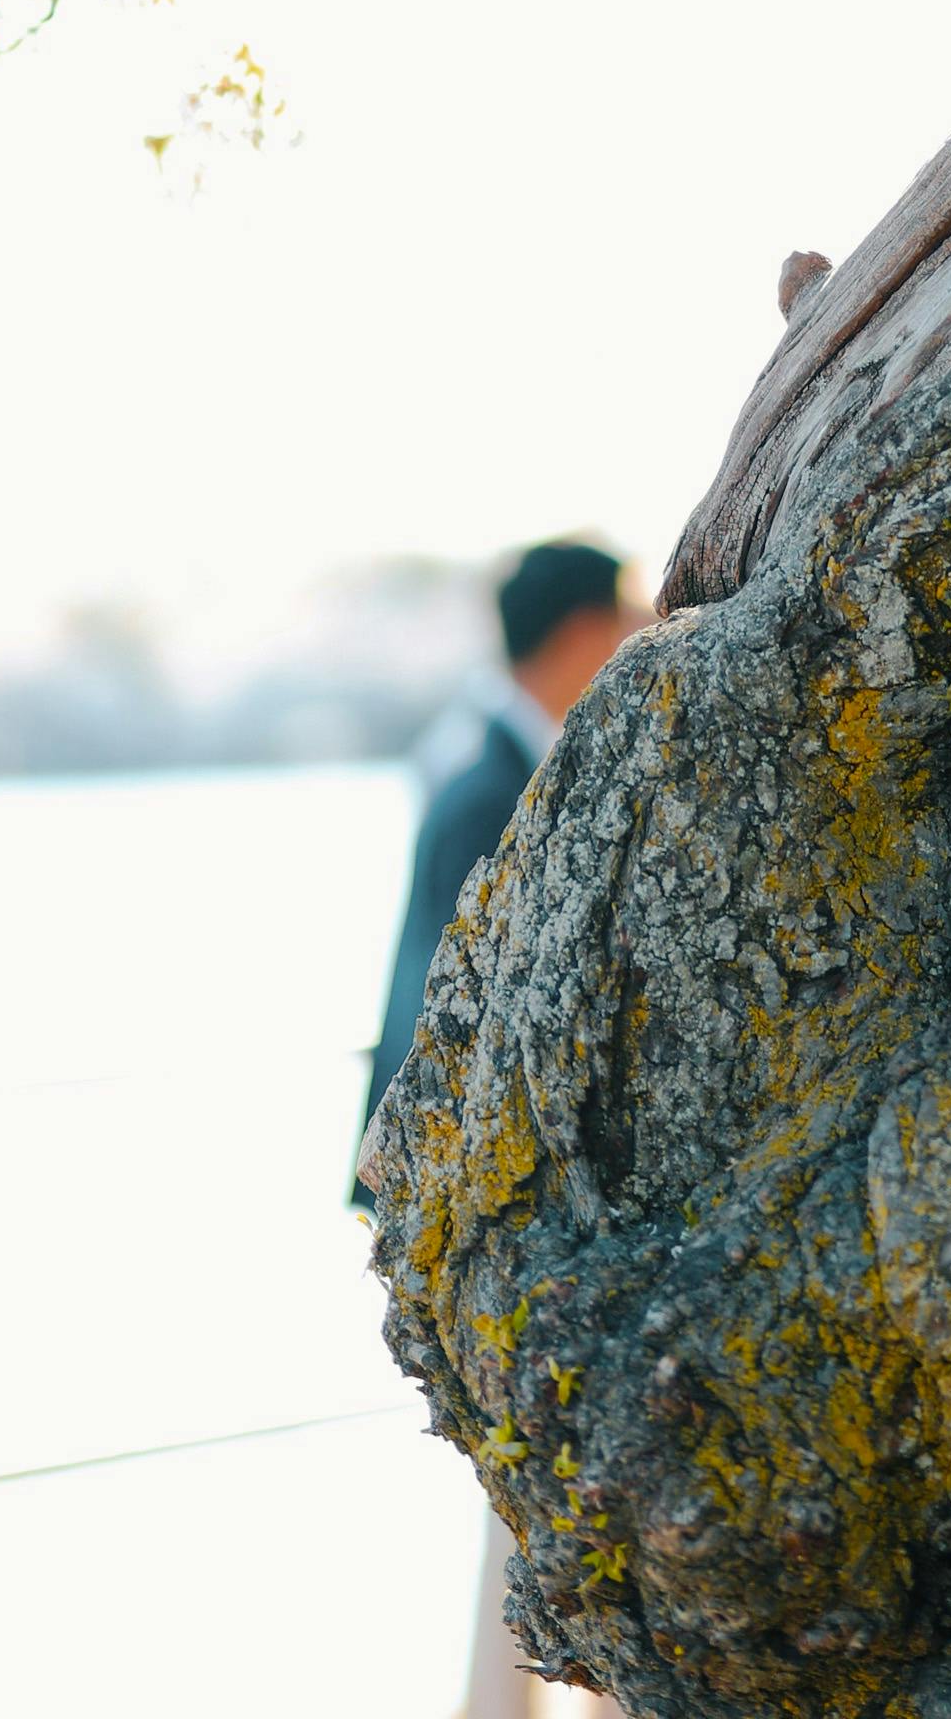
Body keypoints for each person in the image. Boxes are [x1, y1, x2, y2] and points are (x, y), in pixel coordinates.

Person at [358, 540, 644, 1719]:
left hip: (479, 1192)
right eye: (625, 616)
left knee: (541, 1489)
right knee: (535, 1487)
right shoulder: (489, 787)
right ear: (580, 633)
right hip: (480, 1198)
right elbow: (441, 1010)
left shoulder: (485, 761)